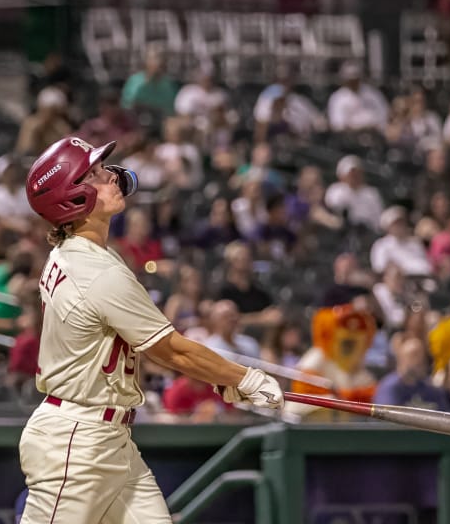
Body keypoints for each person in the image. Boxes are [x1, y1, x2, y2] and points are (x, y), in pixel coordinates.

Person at [19, 135, 283, 522]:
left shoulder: (75, 254)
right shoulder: (96, 270)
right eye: (94, 174)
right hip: (76, 441)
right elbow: (171, 350)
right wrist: (244, 378)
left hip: (108, 438)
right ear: (71, 198)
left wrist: (220, 378)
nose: (111, 176)